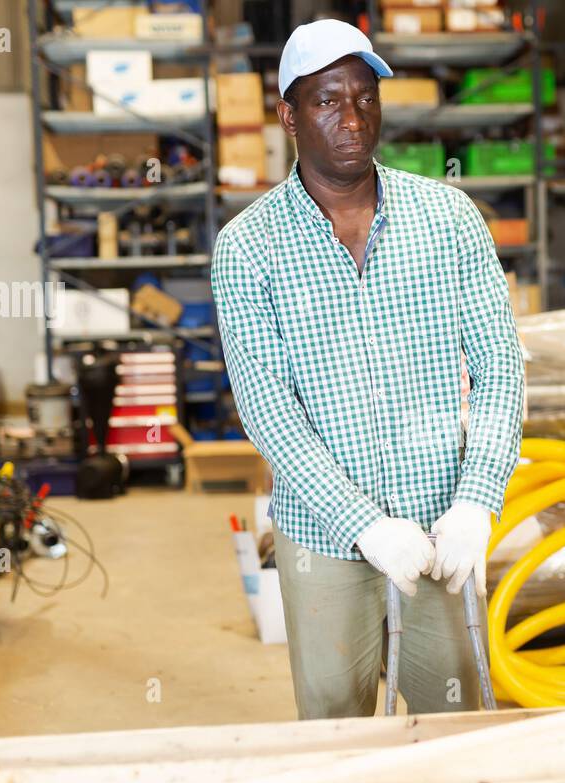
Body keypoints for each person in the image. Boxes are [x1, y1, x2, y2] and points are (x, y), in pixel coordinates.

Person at [211, 19, 525, 720]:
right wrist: (366, 526)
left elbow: (501, 367)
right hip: (323, 538)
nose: (352, 119)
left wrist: (477, 500)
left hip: (439, 530)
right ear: (288, 115)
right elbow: (267, 409)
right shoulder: (248, 248)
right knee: (333, 726)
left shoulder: (448, 220)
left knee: (455, 718)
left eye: (364, 97)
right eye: (327, 101)